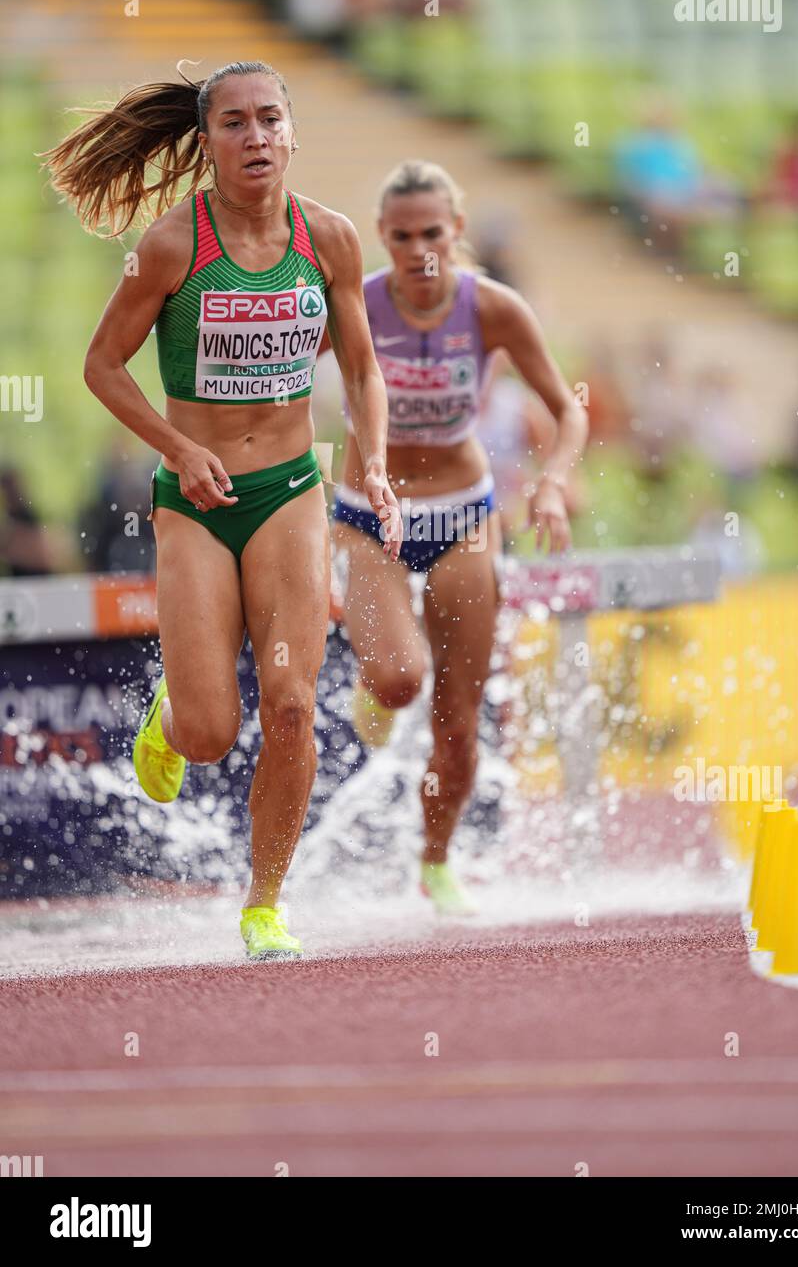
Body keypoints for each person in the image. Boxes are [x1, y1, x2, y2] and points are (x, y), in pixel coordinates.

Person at [41, 59, 402, 958]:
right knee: (209, 737)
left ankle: (264, 902)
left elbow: (359, 367)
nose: (256, 138)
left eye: (270, 119)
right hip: (198, 504)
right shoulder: (172, 245)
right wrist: (178, 447)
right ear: (207, 143)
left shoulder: (330, 239)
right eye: (235, 123)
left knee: (289, 707)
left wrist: (379, 467)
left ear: (292, 133)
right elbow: (102, 367)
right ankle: (173, 714)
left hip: (290, 494)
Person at [327, 160, 588, 915]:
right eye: (401, 235)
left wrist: (551, 481)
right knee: (401, 679)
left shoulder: (494, 309)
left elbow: (567, 409)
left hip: (465, 515)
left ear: (457, 231)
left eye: (432, 232)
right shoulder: (356, 304)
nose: (418, 249)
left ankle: (436, 862)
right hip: (370, 513)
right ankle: (375, 688)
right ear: (380, 237)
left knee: (459, 718)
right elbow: (277, 378)